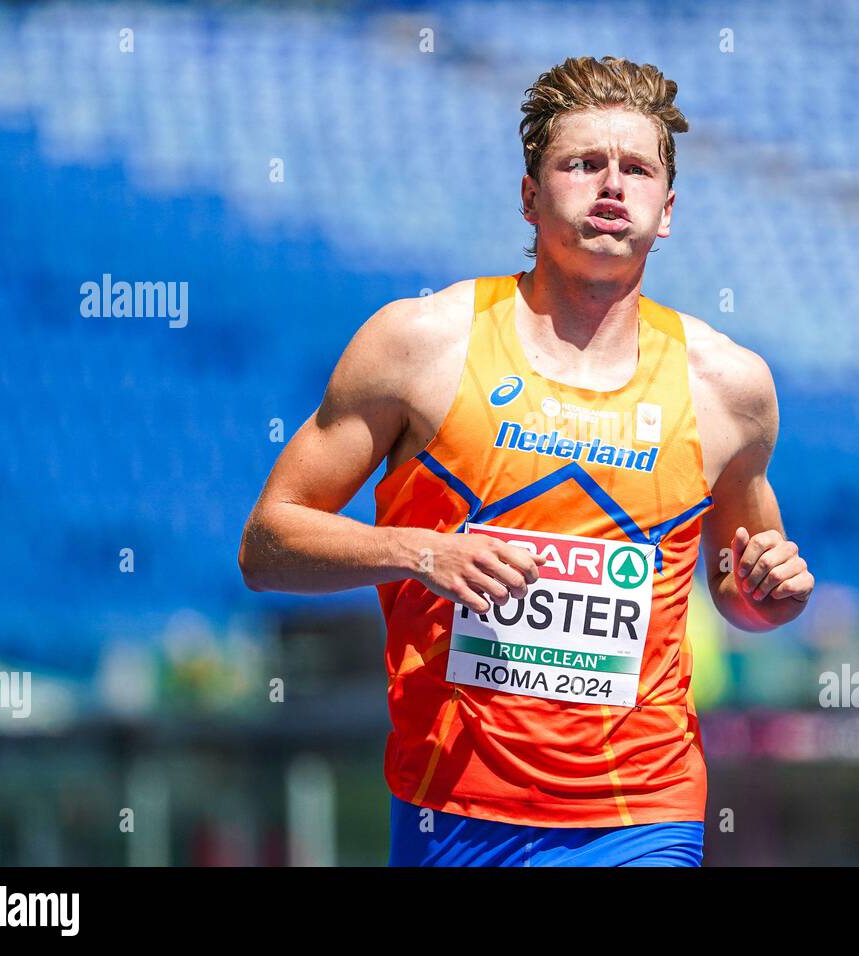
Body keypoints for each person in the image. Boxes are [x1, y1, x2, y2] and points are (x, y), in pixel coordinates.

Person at [238, 55, 813, 866]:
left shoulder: (730, 388)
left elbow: (742, 594)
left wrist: (769, 593)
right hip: (454, 807)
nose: (612, 186)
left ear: (668, 208)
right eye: (582, 164)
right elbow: (267, 545)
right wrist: (423, 553)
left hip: (641, 810)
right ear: (529, 195)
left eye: (636, 169)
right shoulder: (421, 345)